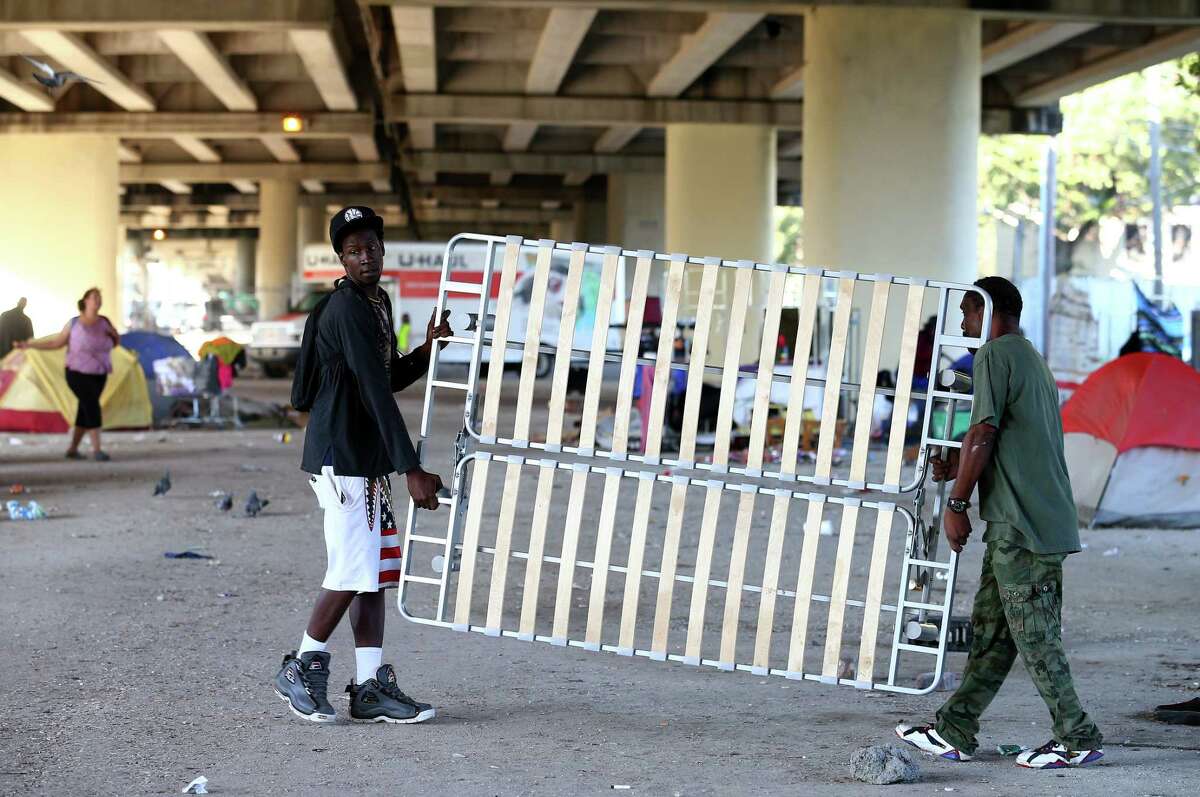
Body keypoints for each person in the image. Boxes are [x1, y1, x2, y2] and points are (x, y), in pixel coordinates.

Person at [894, 276, 1104, 770]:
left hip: (1024, 525)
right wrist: (960, 466)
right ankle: (954, 729)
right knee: (994, 632)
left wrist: (957, 503)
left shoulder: (994, 354)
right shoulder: (1028, 357)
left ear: (989, 310)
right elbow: (993, 436)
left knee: (1034, 635)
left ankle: (1076, 735)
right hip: (1023, 520)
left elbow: (984, 432)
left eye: (967, 312)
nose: (962, 323)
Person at [273, 205, 453, 725]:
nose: (364, 256)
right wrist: (411, 468)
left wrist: (423, 350)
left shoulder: (378, 303)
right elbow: (376, 394)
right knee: (351, 571)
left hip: (365, 459)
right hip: (343, 458)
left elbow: (387, 375)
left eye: (371, 246)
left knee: (371, 573)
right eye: (353, 251)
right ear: (341, 259)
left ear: (381, 248)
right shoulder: (347, 309)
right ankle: (300, 665)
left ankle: (369, 685)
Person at [15, 288, 119, 461]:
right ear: (85, 301)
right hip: (76, 372)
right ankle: (97, 449)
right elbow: (56, 343)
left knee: (84, 410)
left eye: (99, 298)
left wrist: (114, 336)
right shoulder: (74, 324)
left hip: (99, 372)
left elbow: (115, 342)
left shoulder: (104, 322)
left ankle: (72, 449)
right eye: (94, 297)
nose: (98, 300)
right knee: (92, 405)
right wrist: (30, 345)